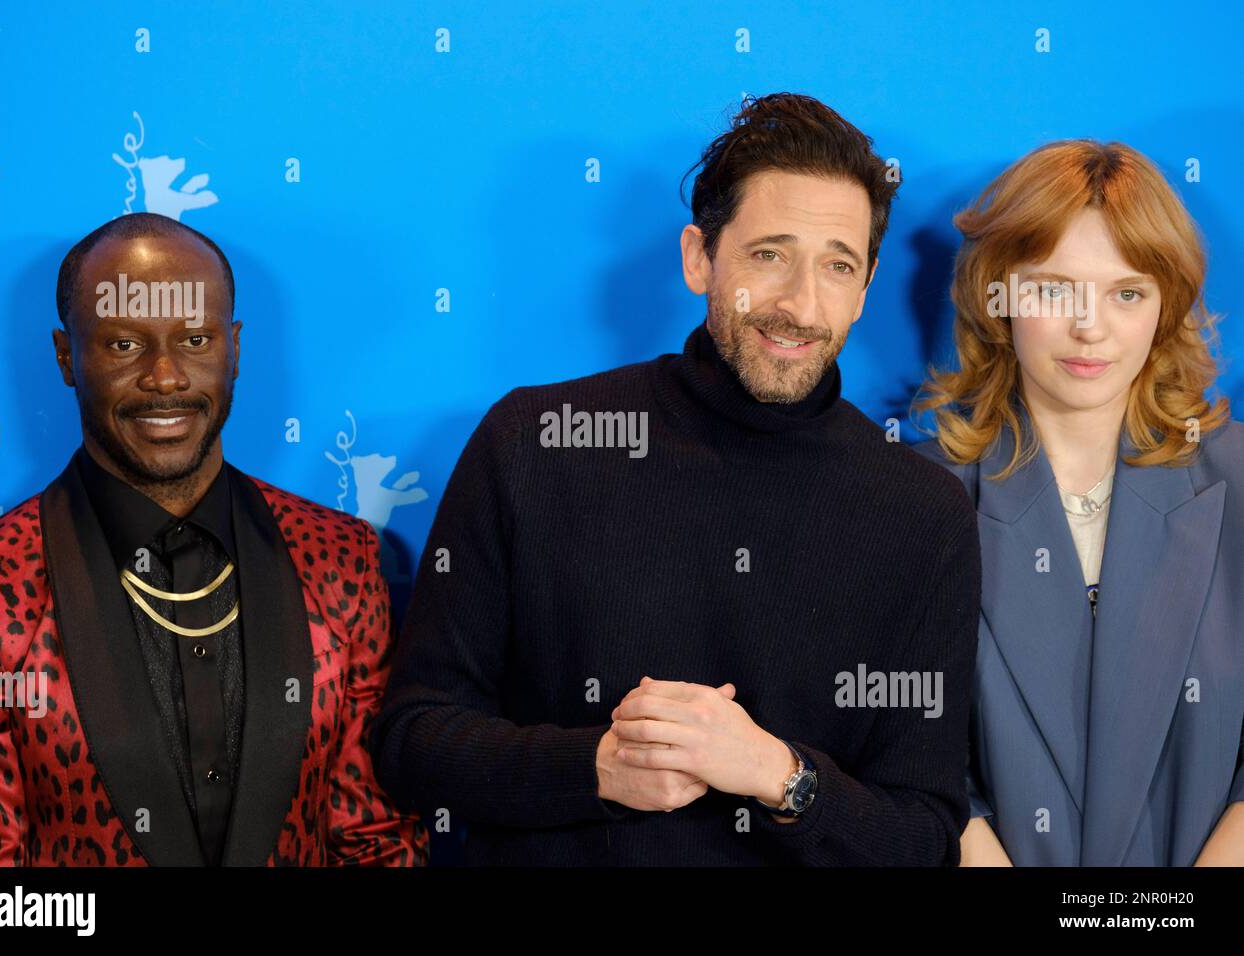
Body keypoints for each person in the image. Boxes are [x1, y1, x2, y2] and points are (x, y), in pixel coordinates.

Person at [372, 92, 981, 865]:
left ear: (864, 290)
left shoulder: (921, 513)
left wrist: (780, 776)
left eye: (838, 265)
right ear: (700, 258)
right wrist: (595, 767)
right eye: (769, 254)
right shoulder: (533, 443)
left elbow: (925, 837)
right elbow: (414, 739)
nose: (801, 303)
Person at [0, 213, 428, 866]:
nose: (166, 378)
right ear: (66, 357)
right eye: (124, 346)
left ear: (234, 348)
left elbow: (377, 843)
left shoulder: (342, 560)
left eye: (195, 339)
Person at [913, 140, 1244, 866]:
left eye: (1128, 293)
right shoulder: (915, 500)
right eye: (1055, 290)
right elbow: (911, 764)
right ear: (997, 297)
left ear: (1167, 306)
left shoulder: (1239, 479)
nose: (1090, 327)